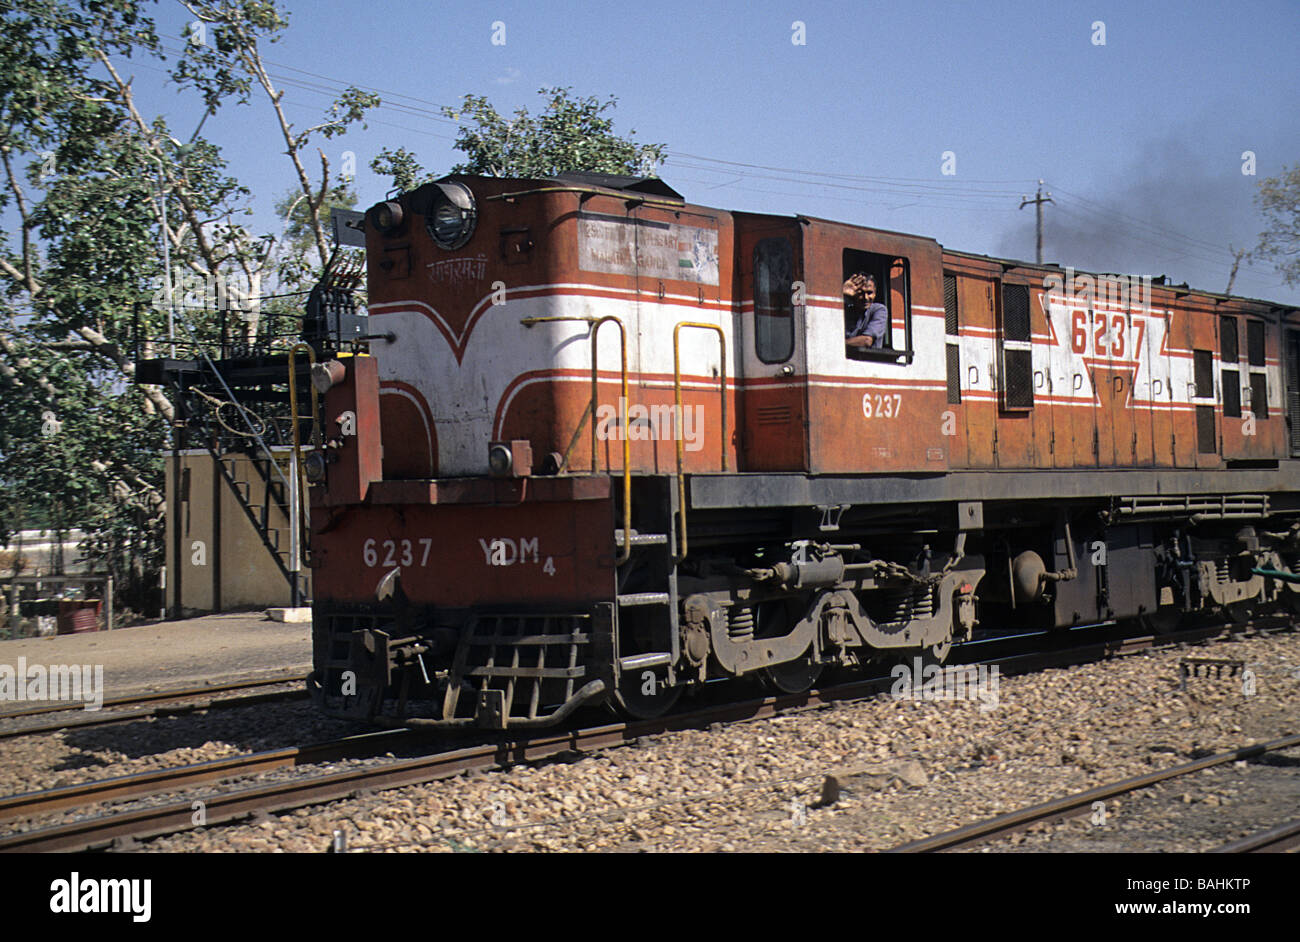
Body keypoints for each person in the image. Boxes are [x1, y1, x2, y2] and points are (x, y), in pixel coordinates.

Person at [844, 273, 888, 349]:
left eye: (869, 293)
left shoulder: (879, 310)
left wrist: (838, 343)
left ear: (875, 293)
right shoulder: (847, 311)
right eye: (860, 293)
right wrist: (842, 292)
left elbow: (867, 340)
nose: (866, 297)